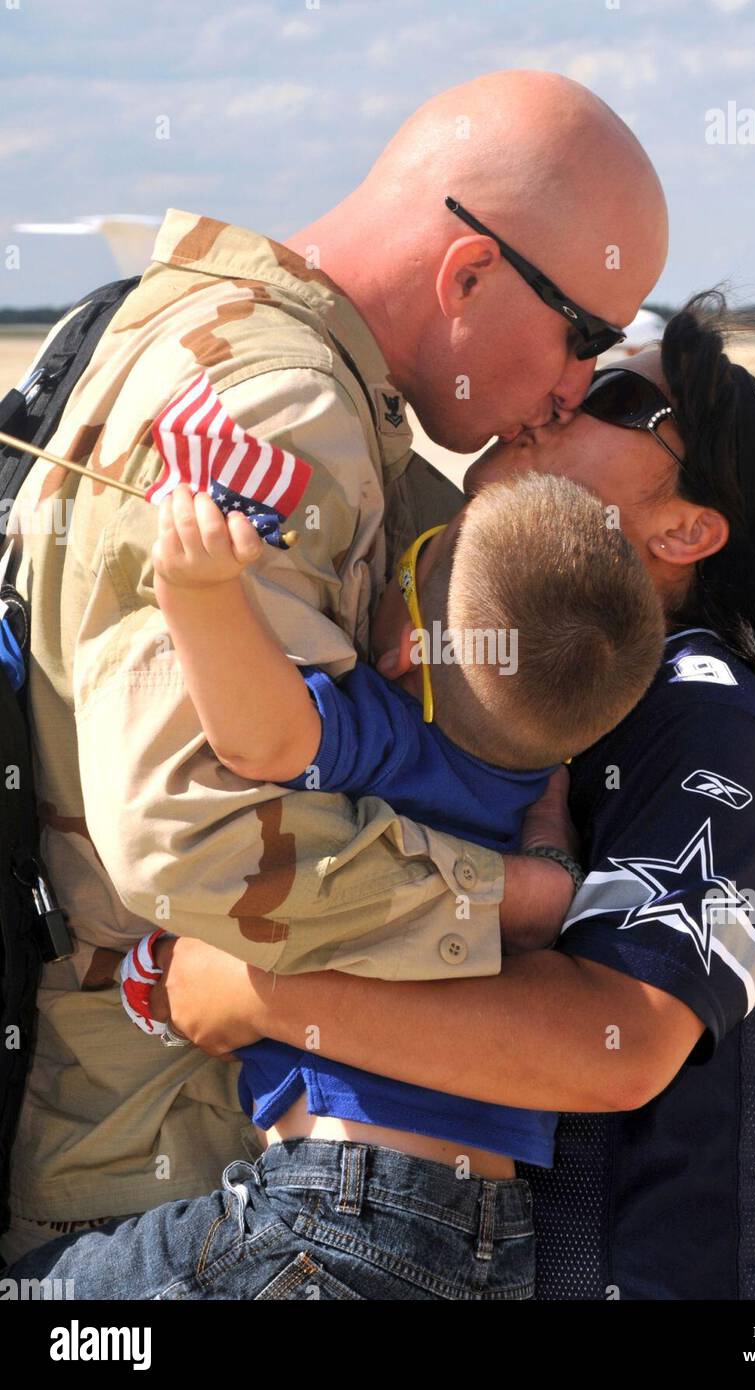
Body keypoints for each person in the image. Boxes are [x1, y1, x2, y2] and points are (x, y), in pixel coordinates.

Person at [0, 69, 668, 1265]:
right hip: (177, 1161)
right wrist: (508, 902)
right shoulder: (287, 407)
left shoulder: (170, 326)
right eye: (585, 338)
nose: (573, 386)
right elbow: (196, 832)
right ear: (468, 274)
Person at [129, 294, 755, 1300]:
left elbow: (614, 1041)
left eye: (614, 393)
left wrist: (259, 989)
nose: (554, 399)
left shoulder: (713, 725)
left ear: (686, 528)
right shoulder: (535, 695)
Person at [8, 472, 665, 1299]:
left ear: (406, 651)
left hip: (338, 1207)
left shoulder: (393, 739)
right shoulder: (539, 787)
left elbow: (263, 737)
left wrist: (196, 588)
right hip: (490, 1234)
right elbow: (544, 886)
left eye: (409, 559)